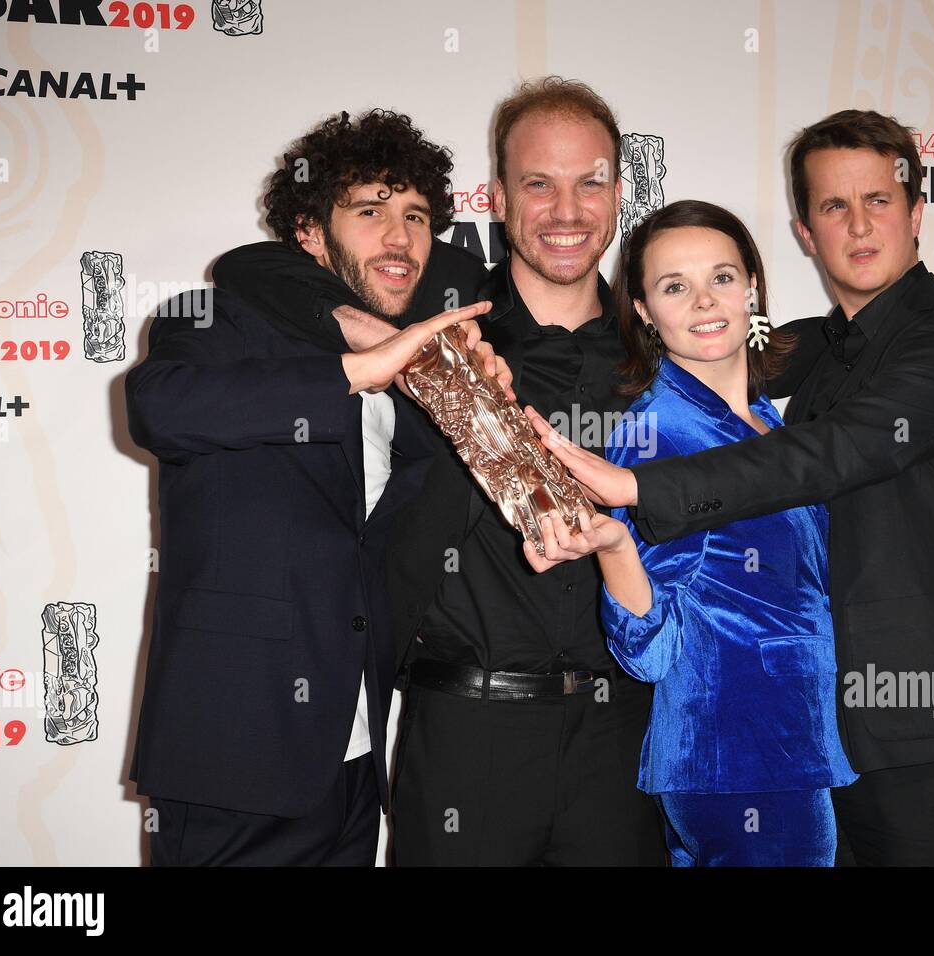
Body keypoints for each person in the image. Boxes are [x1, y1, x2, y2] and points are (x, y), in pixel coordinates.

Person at [527, 109, 934, 866]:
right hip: (822, 743)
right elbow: (700, 339)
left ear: (917, 211)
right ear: (805, 232)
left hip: (930, 734)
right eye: (834, 206)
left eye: (880, 200)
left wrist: (637, 484)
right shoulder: (824, 350)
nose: (858, 225)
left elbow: (828, 453)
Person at [211, 78, 666, 865]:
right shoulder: (435, 307)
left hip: (626, 738)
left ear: (619, 193)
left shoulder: (664, 343)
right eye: (538, 184)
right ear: (496, 197)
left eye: (590, 182)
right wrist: (367, 329)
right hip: (464, 735)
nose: (567, 211)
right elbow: (253, 268)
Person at [126, 108, 508, 865]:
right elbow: (157, 406)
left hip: (355, 761)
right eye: (369, 211)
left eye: (416, 217)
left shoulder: (419, 365)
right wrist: (353, 369)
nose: (399, 238)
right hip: (234, 754)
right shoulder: (219, 324)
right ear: (308, 231)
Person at [528, 200, 858, 865]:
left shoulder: (768, 419)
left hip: (776, 751)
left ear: (754, 288)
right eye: (675, 286)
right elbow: (647, 652)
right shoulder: (663, 434)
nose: (705, 301)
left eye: (722, 277)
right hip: (742, 762)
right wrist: (619, 547)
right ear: (644, 310)